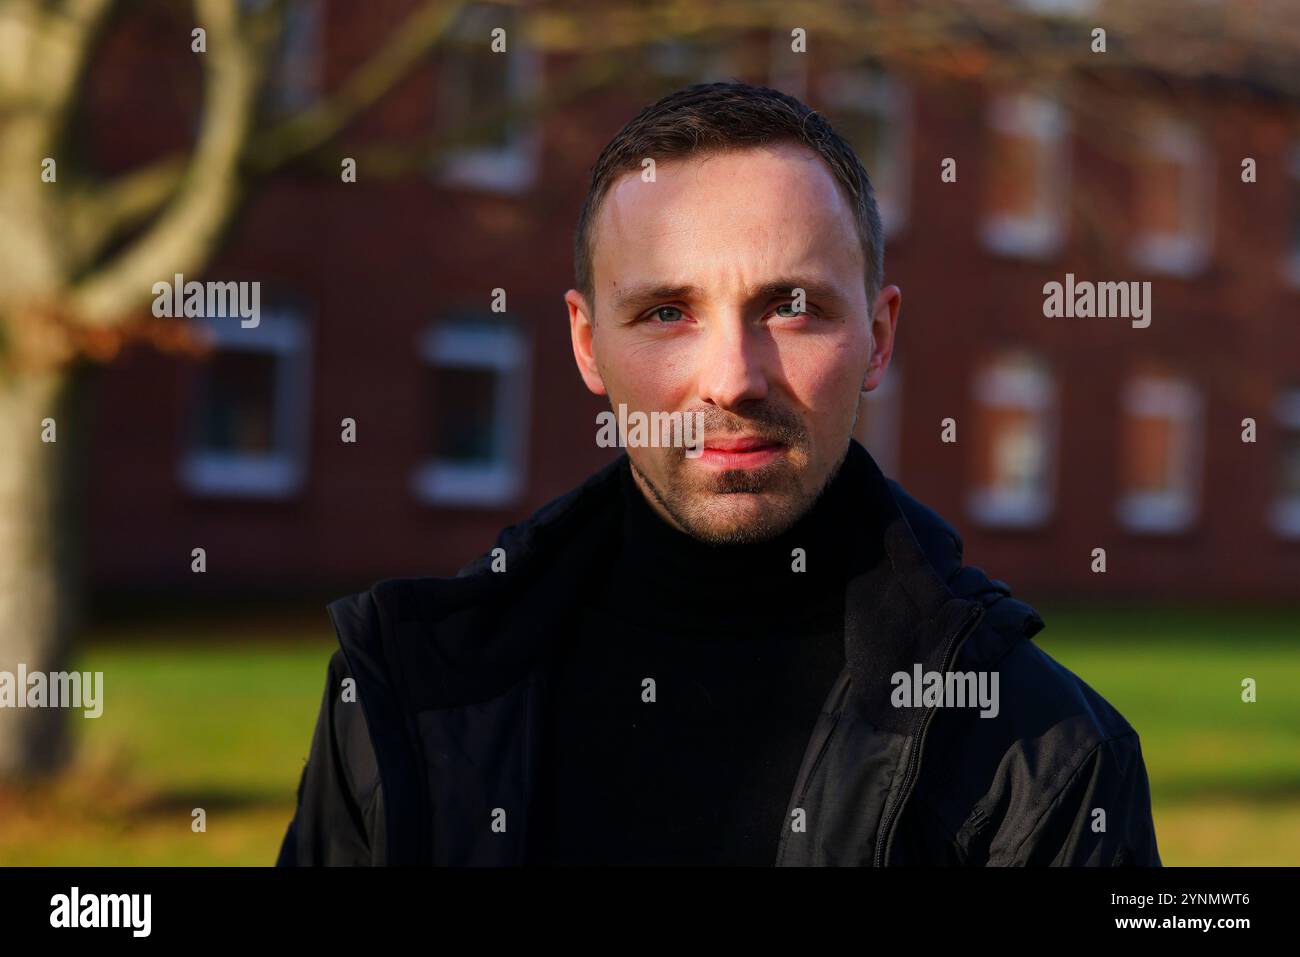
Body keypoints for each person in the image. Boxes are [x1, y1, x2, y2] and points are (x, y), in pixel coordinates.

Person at [277, 81, 1161, 867]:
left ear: (879, 338)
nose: (734, 376)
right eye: (667, 311)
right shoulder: (411, 693)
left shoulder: (1042, 754)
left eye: (792, 306)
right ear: (589, 345)